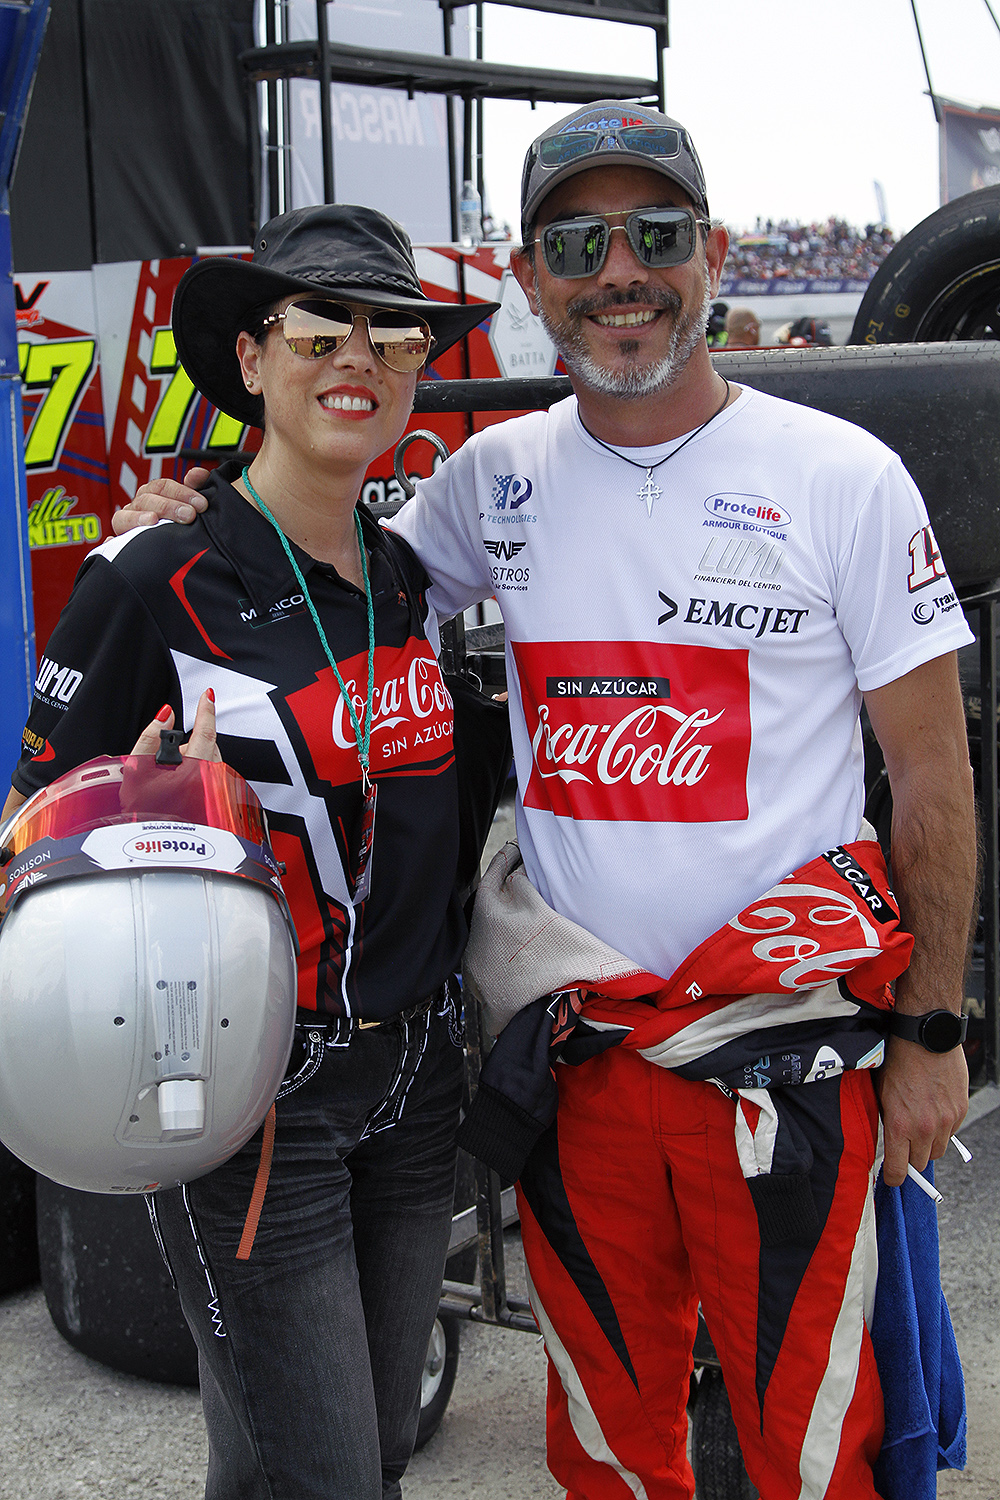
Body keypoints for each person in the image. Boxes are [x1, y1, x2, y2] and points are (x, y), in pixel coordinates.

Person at [116, 102, 976, 1500]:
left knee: (818, 1449)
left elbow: (935, 776)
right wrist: (183, 531)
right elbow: (313, 568)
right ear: (531, 278)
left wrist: (935, 1033)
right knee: (608, 1441)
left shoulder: (844, 480)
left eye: (657, 233)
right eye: (579, 239)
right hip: (578, 1070)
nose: (619, 268)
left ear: (713, 257)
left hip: (787, 1064)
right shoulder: (489, 481)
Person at [6, 203, 496, 1500]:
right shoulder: (152, 579)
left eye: (394, 334)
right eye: (321, 326)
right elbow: (28, 833)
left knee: (354, 1449)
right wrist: (141, 798)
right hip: (256, 1103)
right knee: (330, 1474)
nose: (361, 356)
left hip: (419, 1090)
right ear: (253, 359)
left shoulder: (405, 580)